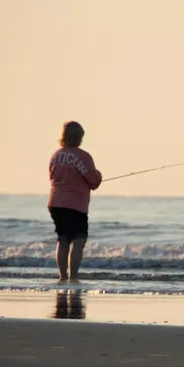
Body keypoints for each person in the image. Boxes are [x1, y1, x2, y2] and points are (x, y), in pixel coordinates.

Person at [47, 121, 102, 283]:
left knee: (63, 238)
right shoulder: (83, 156)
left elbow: (52, 177)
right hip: (75, 205)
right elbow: (93, 181)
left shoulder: (56, 155)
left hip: (55, 203)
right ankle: (73, 277)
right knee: (79, 239)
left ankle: (62, 276)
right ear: (79, 137)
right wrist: (99, 175)